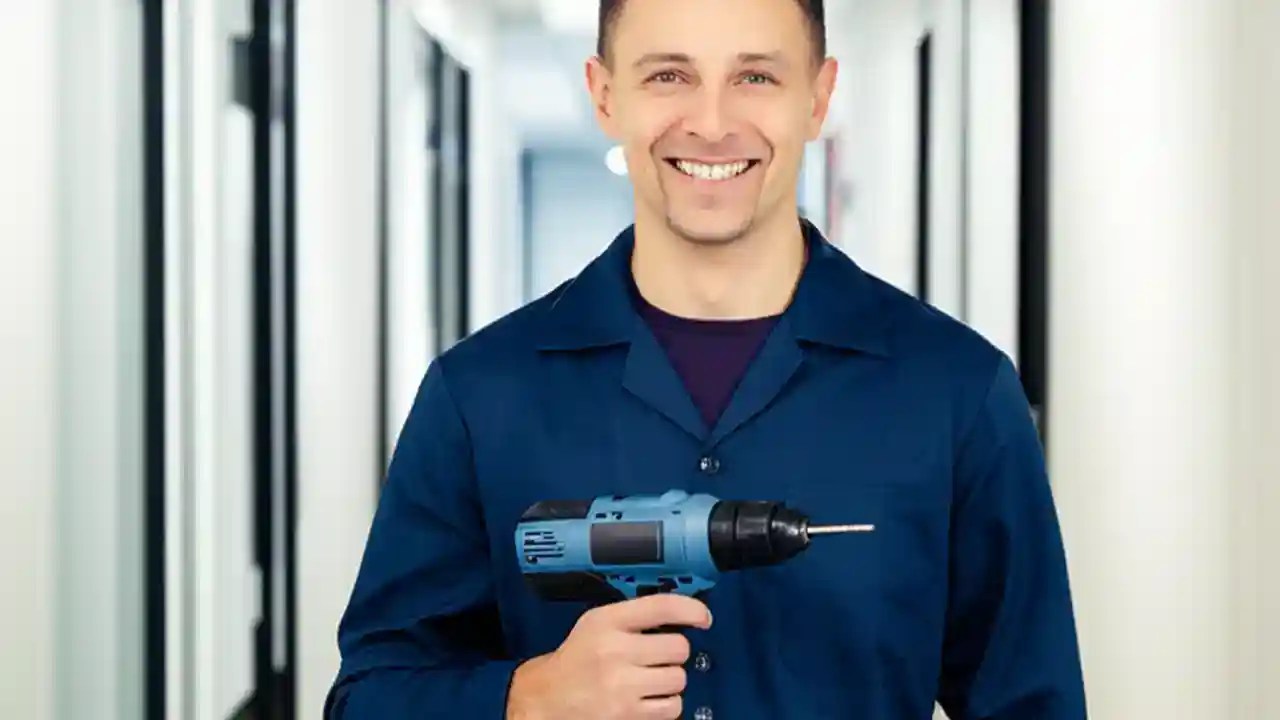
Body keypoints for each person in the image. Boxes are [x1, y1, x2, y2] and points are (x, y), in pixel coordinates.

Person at [324, 0, 1087, 717]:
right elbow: (367, 695)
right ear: (604, 94)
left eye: (755, 76)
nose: (713, 123)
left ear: (817, 97)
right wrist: (525, 698)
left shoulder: (956, 391)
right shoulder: (480, 396)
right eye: (669, 75)